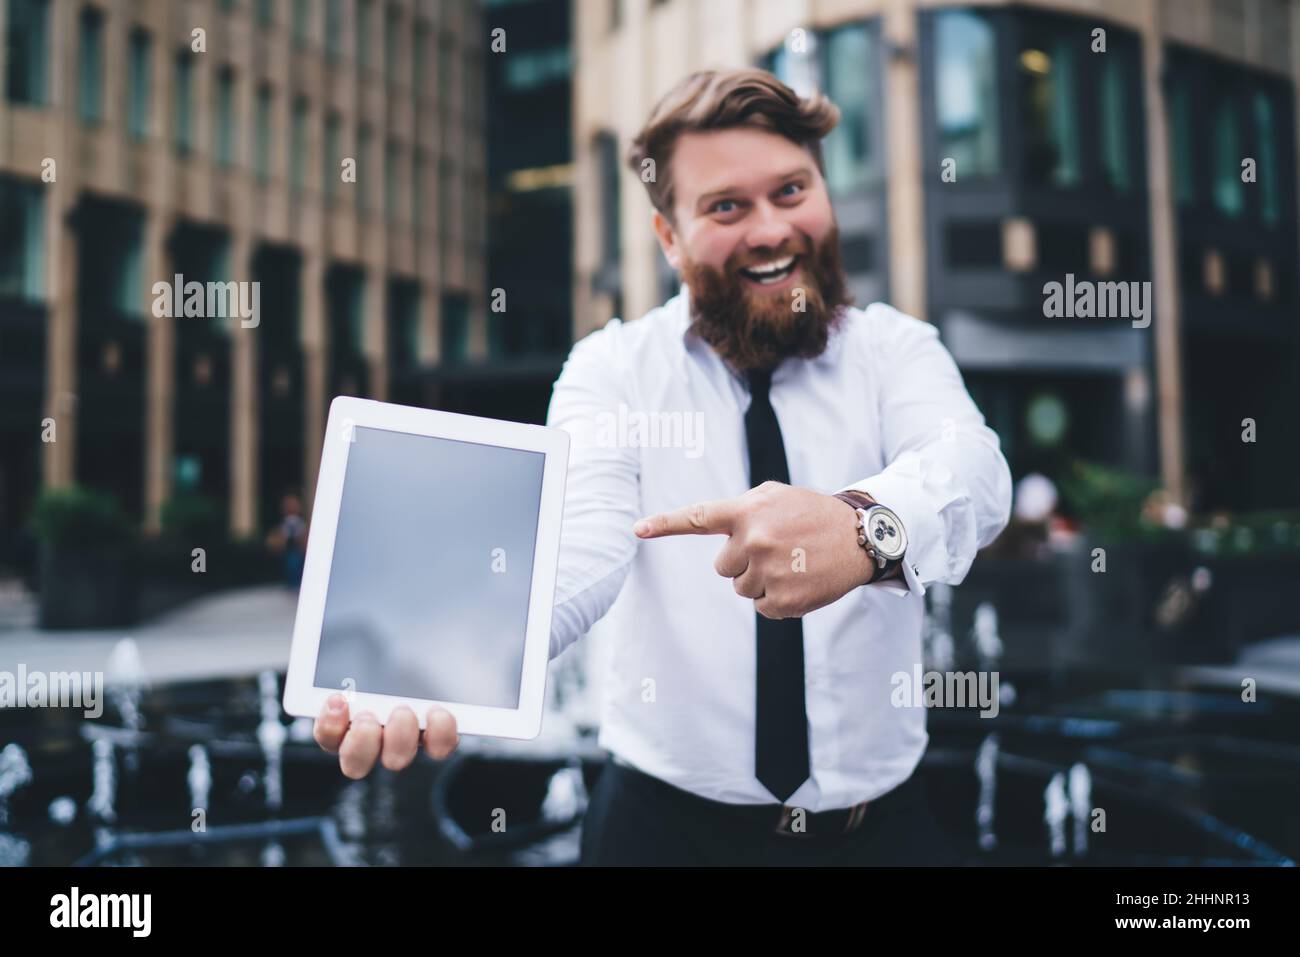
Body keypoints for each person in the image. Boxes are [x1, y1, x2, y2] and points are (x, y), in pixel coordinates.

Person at [314, 68, 1012, 865]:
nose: (770, 229)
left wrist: (863, 525)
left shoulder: (896, 349)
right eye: (726, 206)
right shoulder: (612, 368)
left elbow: (975, 473)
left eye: (791, 190)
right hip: (660, 833)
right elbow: (582, 548)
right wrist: (440, 661)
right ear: (668, 236)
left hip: (883, 833)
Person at [265, 491, 307, 589]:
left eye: (294, 505)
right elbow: (272, 546)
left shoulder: (305, 527)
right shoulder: (279, 529)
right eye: (288, 505)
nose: (291, 508)